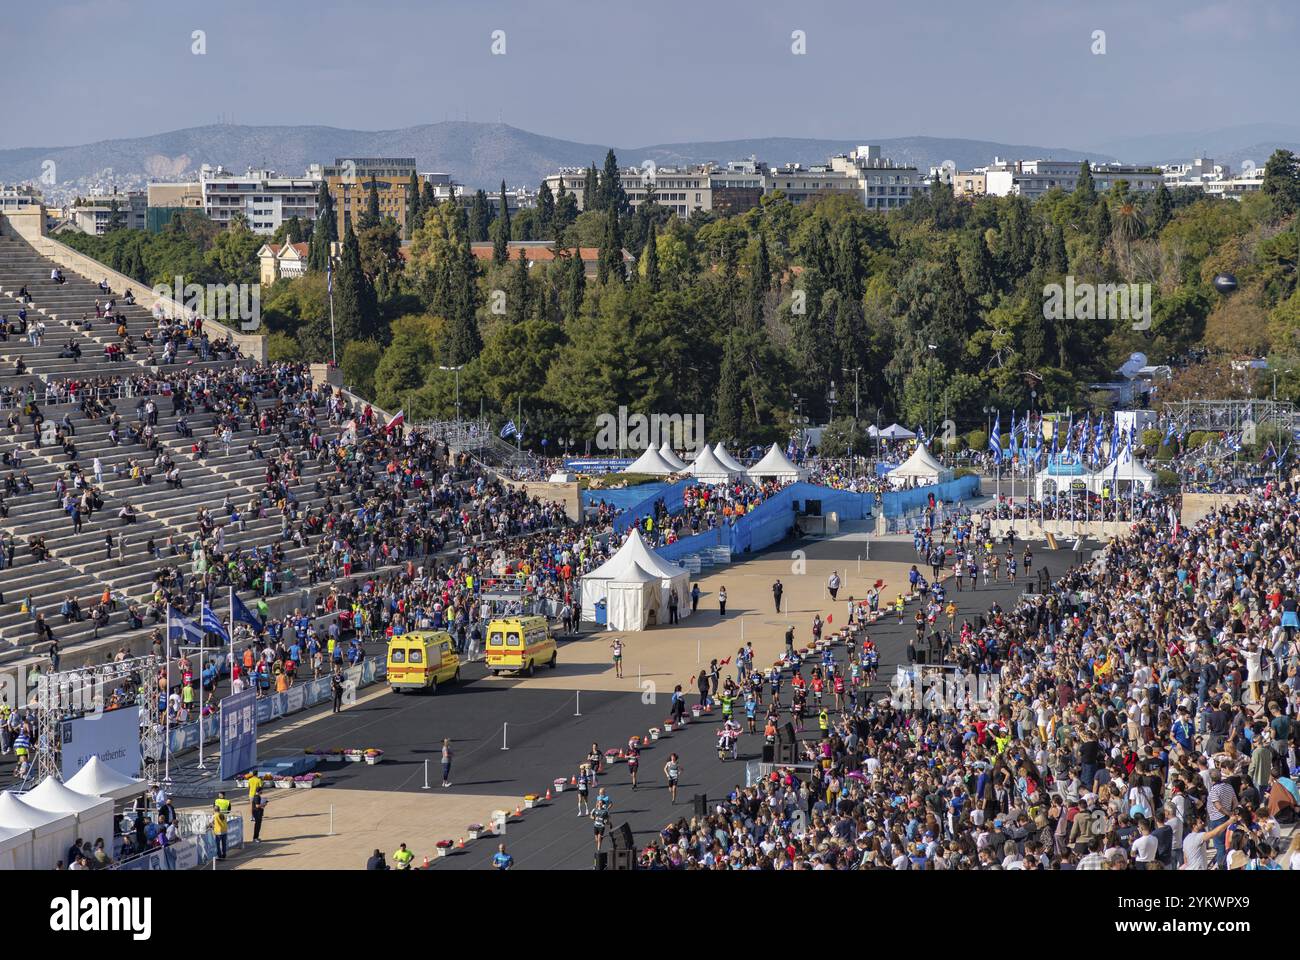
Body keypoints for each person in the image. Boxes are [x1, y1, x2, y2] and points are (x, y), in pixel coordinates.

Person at [212, 792, 231, 860]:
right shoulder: (227, 801)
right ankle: (224, 855)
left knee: (217, 844)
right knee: (224, 844)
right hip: (224, 829)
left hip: (218, 831)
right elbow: (229, 811)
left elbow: (211, 823)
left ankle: (219, 856)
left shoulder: (216, 801)